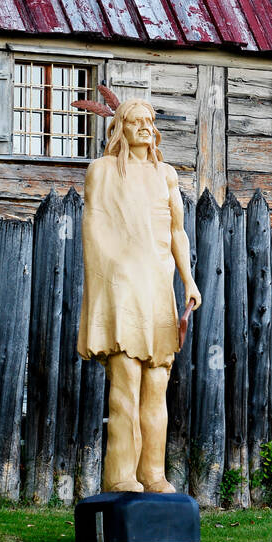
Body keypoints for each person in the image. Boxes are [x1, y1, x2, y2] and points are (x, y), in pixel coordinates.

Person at [77, 99, 201, 493]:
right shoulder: (102, 170)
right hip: (123, 286)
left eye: (149, 121)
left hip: (158, 288)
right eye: (135, 121)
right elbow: (94, 229)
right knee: (126, 384)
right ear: (120, 128)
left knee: (157, 388)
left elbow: (178, 232)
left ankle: (153, 474)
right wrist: (109, 281)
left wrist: (189, 281)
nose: (145, 127)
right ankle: (120, 475)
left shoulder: (166, 174)